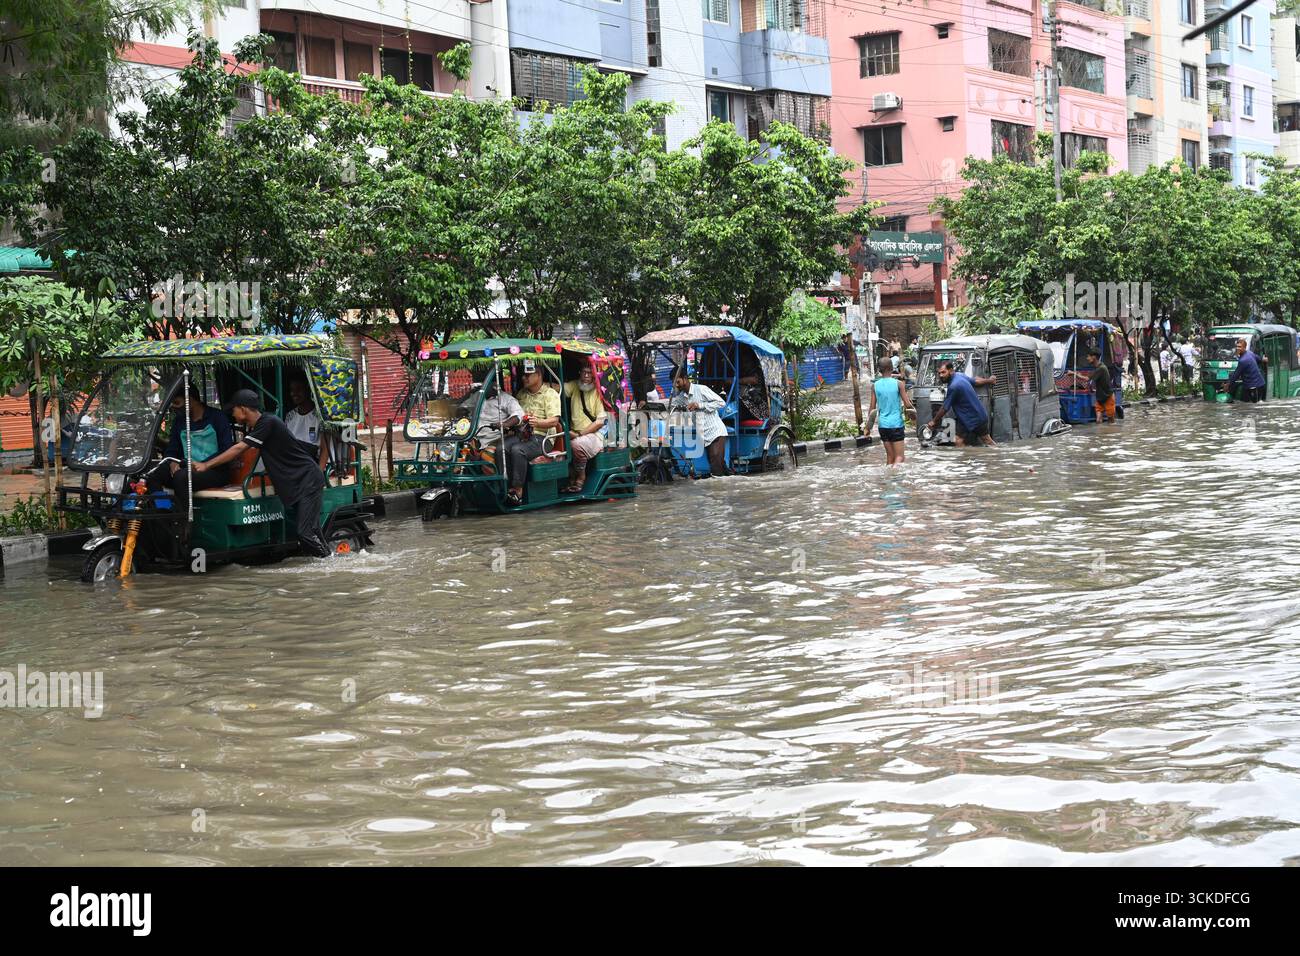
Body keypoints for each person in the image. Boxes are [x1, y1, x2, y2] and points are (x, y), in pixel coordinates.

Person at [194, 389, 330, 557]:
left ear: (243, 409)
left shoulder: (268, 422)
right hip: (298, 482)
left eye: (234, 410)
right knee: (312, 529)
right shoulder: (262, 426)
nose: (233, 415)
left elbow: (239, 448)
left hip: (307, 480)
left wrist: (206, 465)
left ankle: (329, 564)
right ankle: (329, 560)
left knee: (305, 533)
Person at [145, 383, 235, 514]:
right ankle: (163, 510)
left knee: (182, 477)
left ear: (190, 400)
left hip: (215, 471)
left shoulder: (217, 418)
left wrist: (204, 464)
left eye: (177, 402)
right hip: (186, 468)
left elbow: (226, 449)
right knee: (152, 474)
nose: (174, 407)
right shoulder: (179, 421)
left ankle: (182, 521)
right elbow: (172, 449)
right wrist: (172, 462)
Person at [475, 369, 542, 506]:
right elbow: (460, 407)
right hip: (474, 437)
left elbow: (518, 415)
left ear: (495, 384)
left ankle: (507, 488)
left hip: (494, 438)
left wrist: (504, 424)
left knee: (505, 450)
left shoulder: (506, 399)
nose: (481, 385)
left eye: (485, 382)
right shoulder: (476, 397)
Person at [669, 365, 729, 476]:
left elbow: (721, 403)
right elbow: (669, 406)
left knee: (716, 472)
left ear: (685, 378)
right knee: (708, 471)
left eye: (677, 382)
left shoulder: (701, 389)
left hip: (715, 434)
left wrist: (699, 405)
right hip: (702, 437)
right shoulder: (682, 397)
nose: (676, 385)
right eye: (674, 383)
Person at [927, 360, 997, 447]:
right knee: (957, 440)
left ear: (951, 371)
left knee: (987, 440)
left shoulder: (954, 386)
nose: (941, 375)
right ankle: (965, 458)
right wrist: (989, 381)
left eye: (943, 372)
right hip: (966, 419)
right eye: (939, 373)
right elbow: (975, 381)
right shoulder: (960, 375)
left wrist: (934, 421)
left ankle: (995, 457)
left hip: (976, 418)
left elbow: (945, 408)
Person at [562, 363, 607, 493]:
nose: (586, 376)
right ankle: (569, 477)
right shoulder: (575, 385)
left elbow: (599, 422)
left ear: (594, 375)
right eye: (584, 372)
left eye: (589, 373)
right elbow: (559, 388)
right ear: (580, 373)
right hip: (575, 433)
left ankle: (581, 476)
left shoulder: (598, 392)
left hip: (595, 435)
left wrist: (580, 434)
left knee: (576, 445)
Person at [866, 358, 914, 464]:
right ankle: (894, 475)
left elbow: (872, 409)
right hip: (896, 424)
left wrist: (867, 427)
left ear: (879, 370)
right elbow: (907, 405)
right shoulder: (899, 384)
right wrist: (915, 414)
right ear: (891, 368)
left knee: (890, 457)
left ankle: (889, 479)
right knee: (900, 457)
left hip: (883, 426)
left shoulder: (875, 385)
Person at [284, 373, 329, 470]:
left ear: (308, 390)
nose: (294, 393)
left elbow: (325, 448)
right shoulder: (290, 416)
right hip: (293, 462)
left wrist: (319, 473)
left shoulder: (320, 416)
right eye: (292, 390)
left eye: (298, 389)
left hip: (311, 463)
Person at [1226, 337, 1267, 403]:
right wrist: (1264, 359)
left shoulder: (1243, 360)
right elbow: (1259, 359)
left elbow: (1236, 375)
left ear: (1244, 347)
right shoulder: (1250, 353)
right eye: (1237, 346)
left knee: (1254, 407)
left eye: (1240, 347)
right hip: (1260, 385)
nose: (1237, 348)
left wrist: (1228, 385)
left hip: (1254, 387)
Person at [1088, 348, 1116, 423]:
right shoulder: (1099, 367)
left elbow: (1088, 378)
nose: (1087, 358)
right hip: (1100, 397)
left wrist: (1074, 374)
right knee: (1098, 420)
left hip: (1108, 397)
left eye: (1089, 356)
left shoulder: (1101, 368)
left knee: (1111, 420)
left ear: (1094, 357)